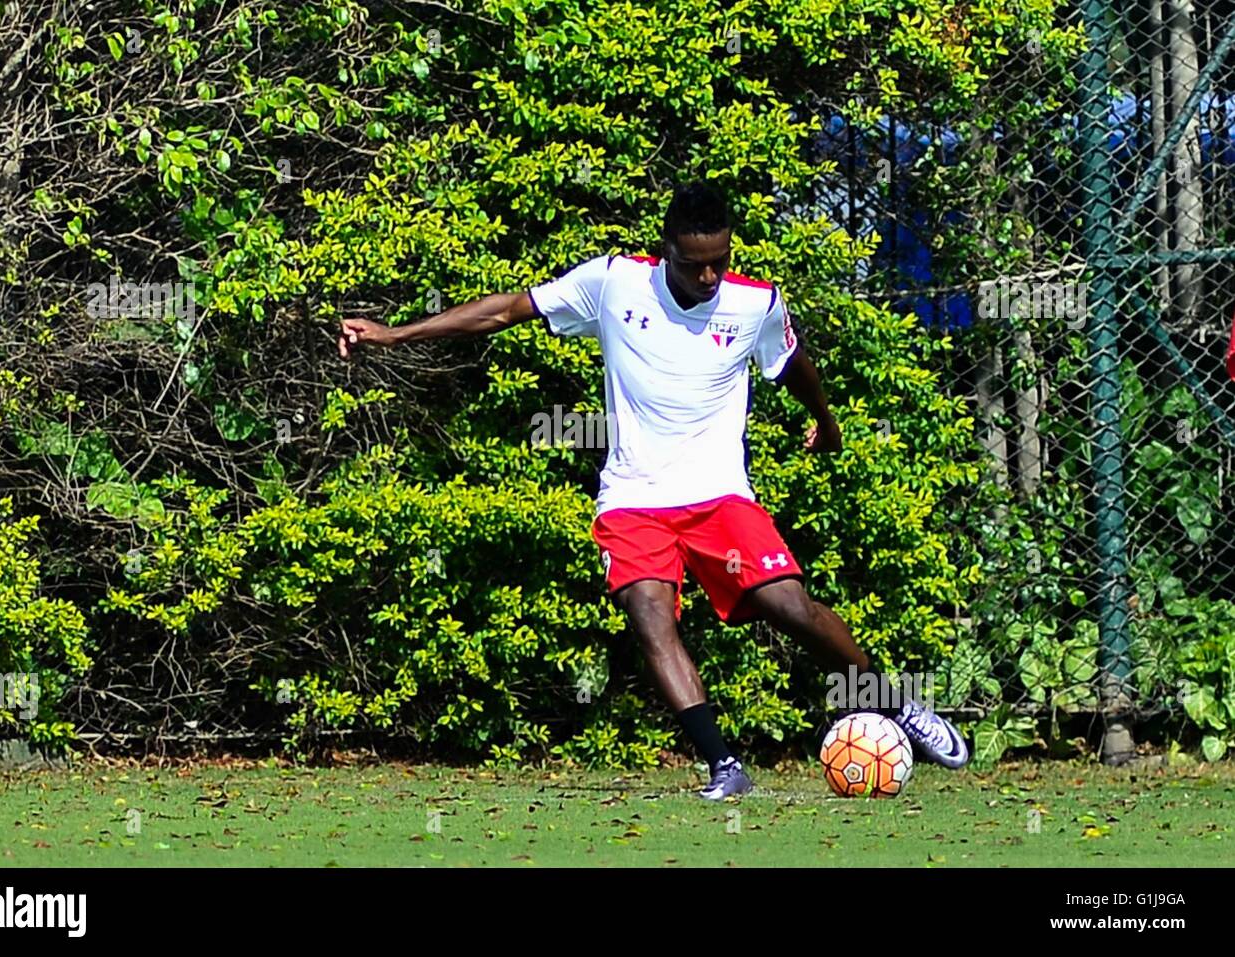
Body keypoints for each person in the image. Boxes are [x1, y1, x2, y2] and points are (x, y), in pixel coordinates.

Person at [339, 180, 970, 799]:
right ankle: (724, 766)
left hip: (720, 496)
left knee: (790, 607)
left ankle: (896, 704)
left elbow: (794, 363)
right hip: (633, 501)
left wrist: (826, 423)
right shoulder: (613, 284)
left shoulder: (754, 304)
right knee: (650, 619)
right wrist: (394, 335)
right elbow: (505, 310)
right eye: (696, 266)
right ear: (666, 250)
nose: (709, 279)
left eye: (720, 263)